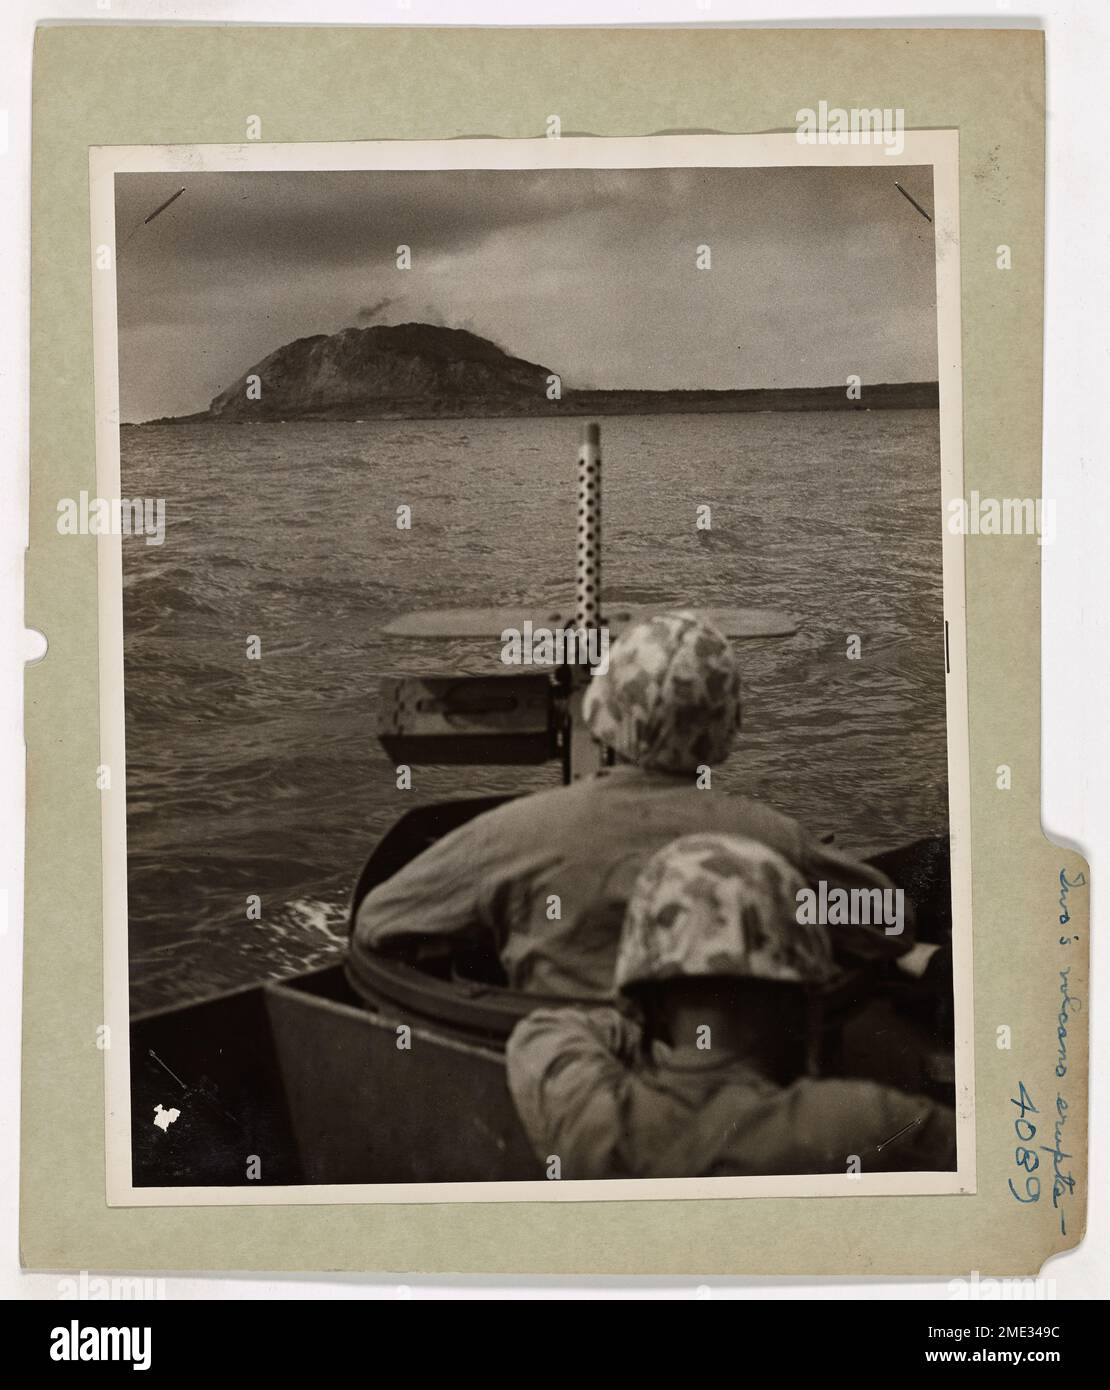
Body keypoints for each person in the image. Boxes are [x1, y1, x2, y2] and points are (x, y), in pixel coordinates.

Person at [350, 610, 911, 1000]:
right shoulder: (771, 838)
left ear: (602, 714)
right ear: (726, 730)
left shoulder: (514, 833)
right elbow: (890, 924)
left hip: (556, 1073)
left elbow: (378, 922)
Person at [506, 834, 957, 1179]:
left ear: (649, 1001)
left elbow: (549, 1030)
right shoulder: (876, 1125)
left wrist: (642, 1009)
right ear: (802, 999)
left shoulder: (588, 1123)